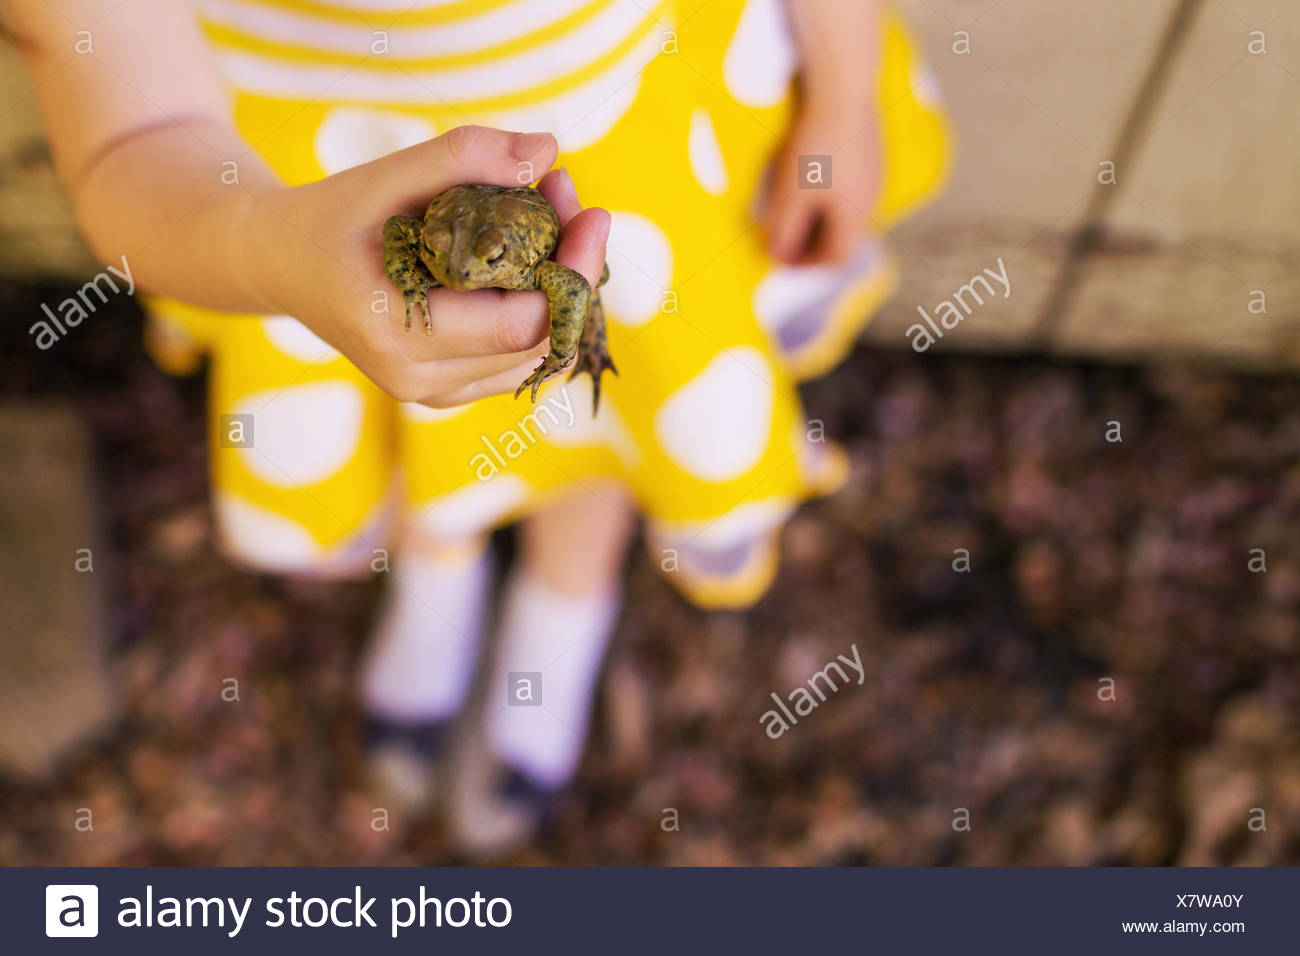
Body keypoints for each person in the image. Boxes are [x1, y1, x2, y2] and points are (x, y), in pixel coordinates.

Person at [8, 0, 947, 855]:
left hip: (627, 112)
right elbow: (132, 124)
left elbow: (573, 289)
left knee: (593, 391)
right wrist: (265, 248)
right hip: (301, 164)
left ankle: (564, 598)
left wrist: (841, 99)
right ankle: (436, 571)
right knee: (409, 382)